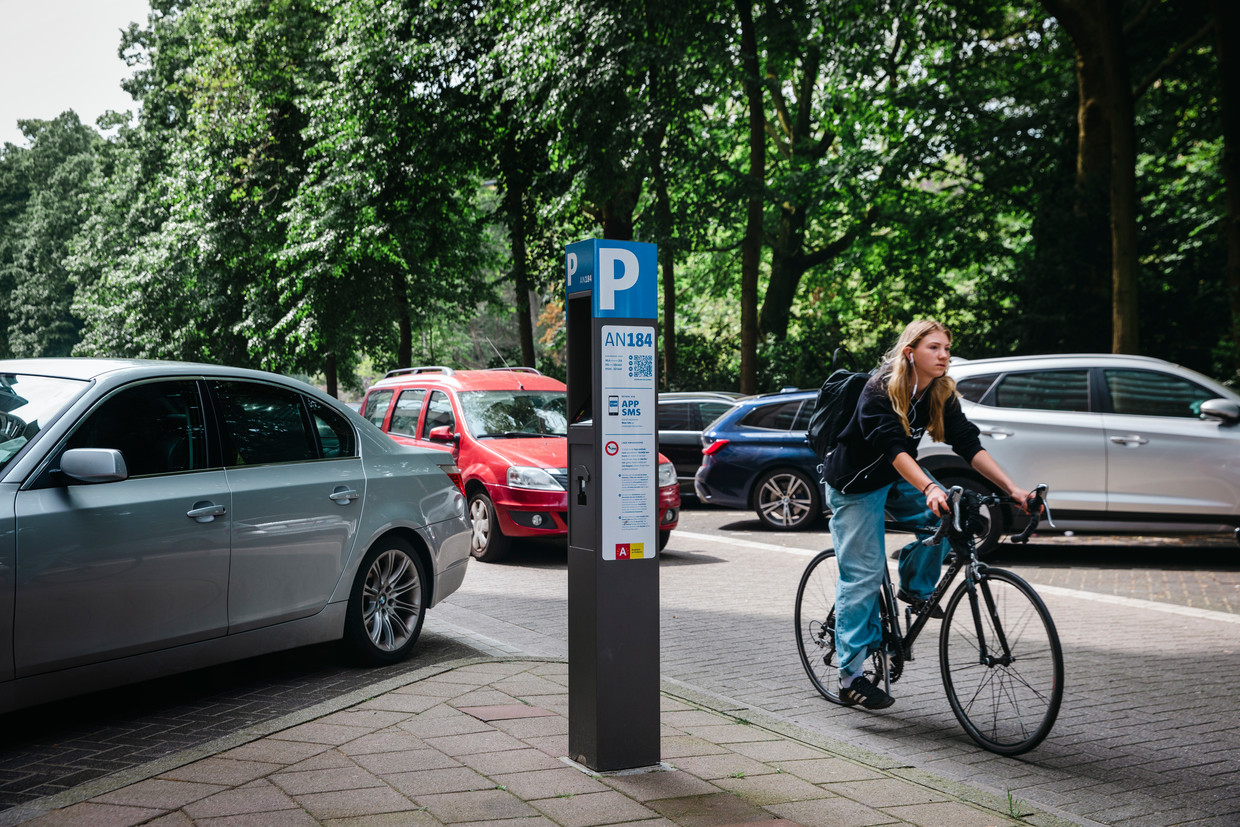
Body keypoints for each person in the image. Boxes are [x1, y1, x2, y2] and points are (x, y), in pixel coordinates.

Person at [822, 320, 1034, 710]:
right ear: (910, 352)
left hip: (897, 478)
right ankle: (849, 678)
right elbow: (893, 449)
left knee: (949, 515)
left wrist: (1013, 489)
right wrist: (930, 487)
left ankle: (915, 588)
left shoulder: (938, 391)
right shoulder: (880, 389)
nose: (943, 355)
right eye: (934, 347)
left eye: (947, 349)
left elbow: (968, 444)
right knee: (864, 575)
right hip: (855, 483)